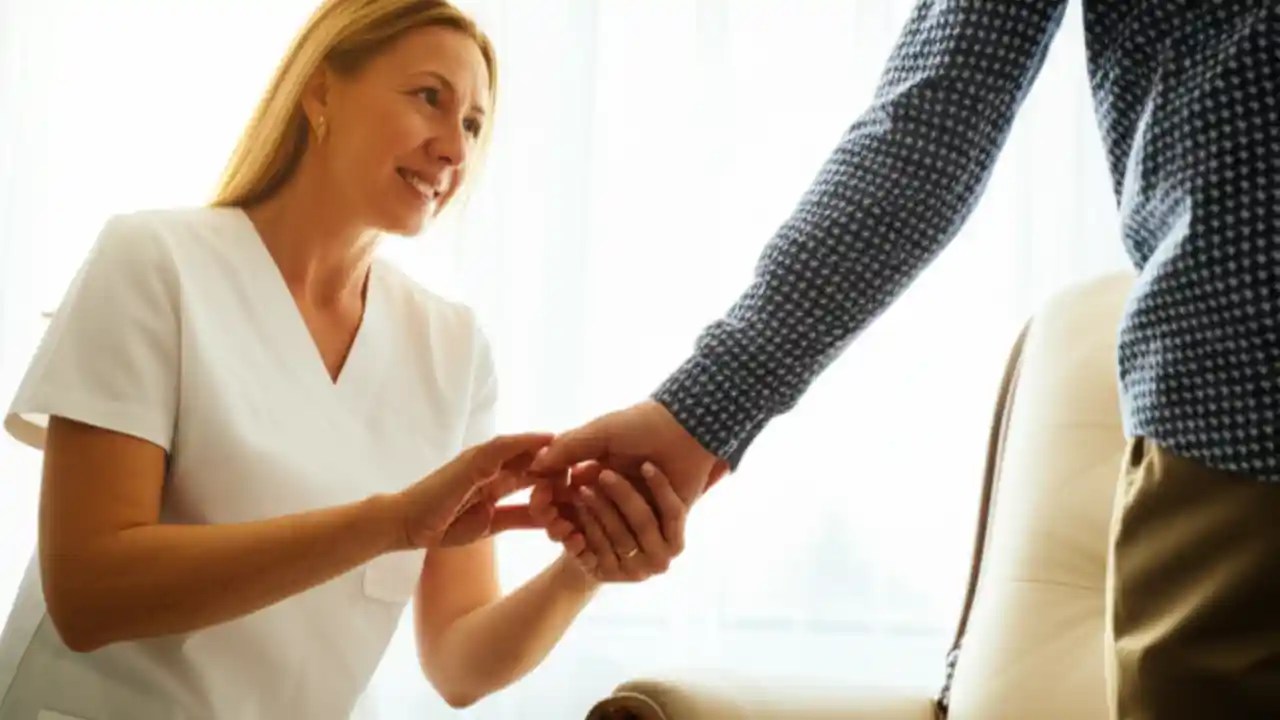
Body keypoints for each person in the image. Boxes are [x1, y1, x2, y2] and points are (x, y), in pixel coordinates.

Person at [530, 2, 1278, 718]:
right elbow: (932, 125)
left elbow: (932, 119)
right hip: (1241, 427)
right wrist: (701, 411)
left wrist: (699, 413)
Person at [0, 1, 681, 718]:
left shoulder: (451, 349)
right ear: (321, 92)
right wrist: (391, 525)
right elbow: (89, 594)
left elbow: (458, 662)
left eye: (474, 125)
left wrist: (584, 567)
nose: (455, 149)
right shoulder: (155, 263)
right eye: (430, 98)